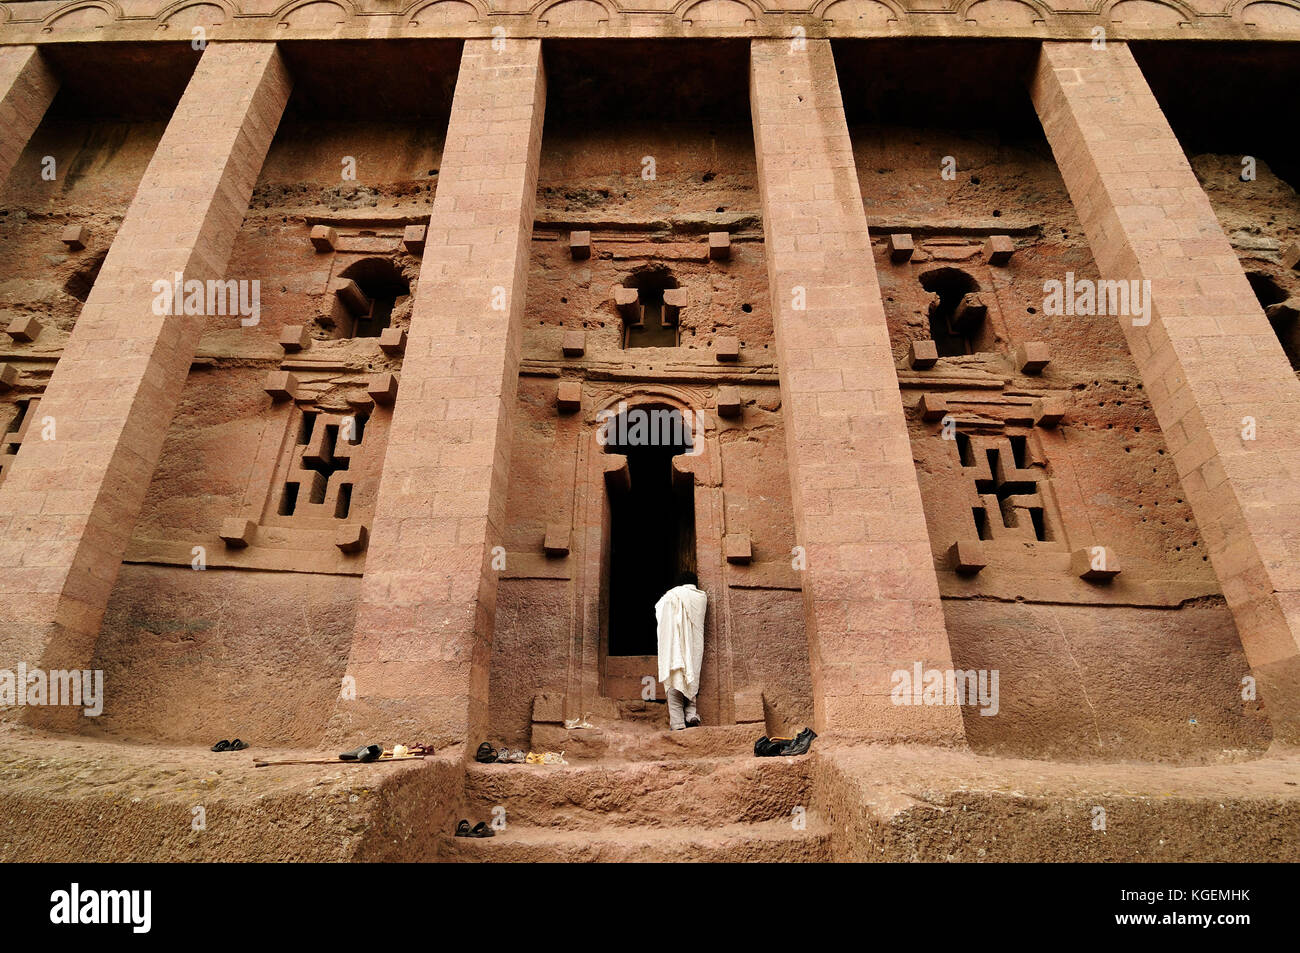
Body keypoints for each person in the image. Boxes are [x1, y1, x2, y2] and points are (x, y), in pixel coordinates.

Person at [654, 570, 707, 731]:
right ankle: (691, 714)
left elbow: (659, 607)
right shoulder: (701, 597)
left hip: (676, 646)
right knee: (692, 677)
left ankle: (677, 722)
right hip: (694, 645)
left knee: (676, 679)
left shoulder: (673, 595)